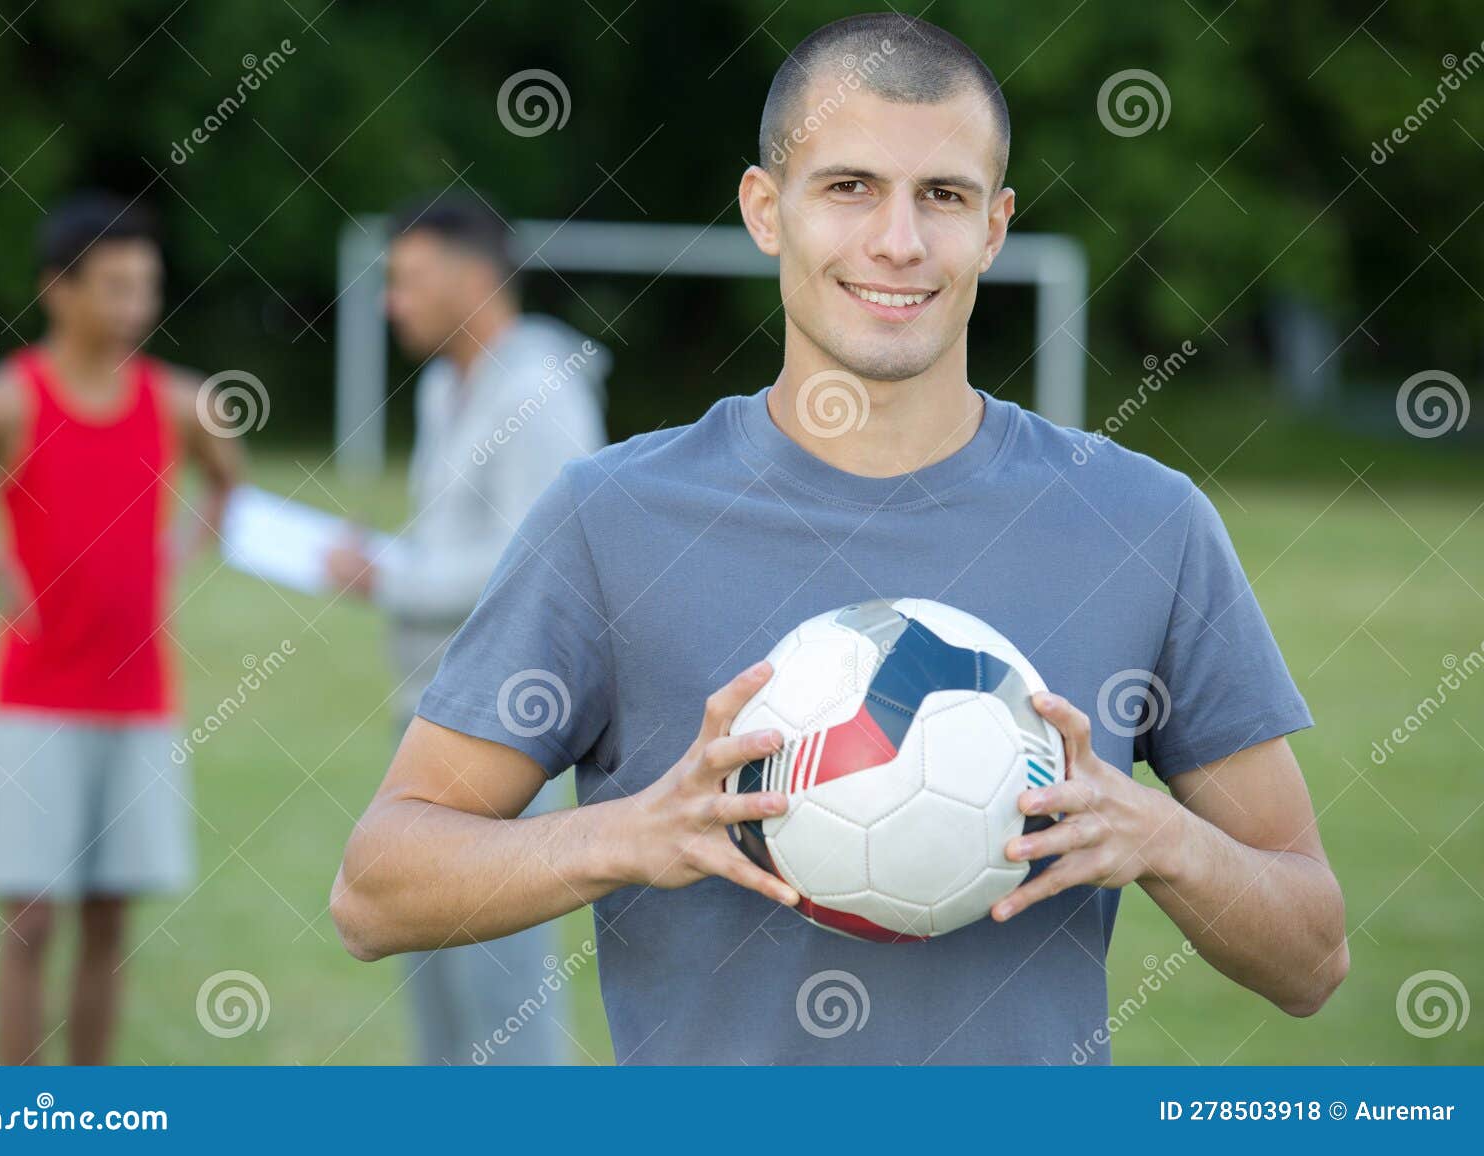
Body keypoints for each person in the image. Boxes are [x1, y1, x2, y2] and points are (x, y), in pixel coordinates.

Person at [330, 14, 1348, 1064]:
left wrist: (1164, 839)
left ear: (994, 228)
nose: (897, 242)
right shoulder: (612, 518)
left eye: (942, 196)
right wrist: (621, 833)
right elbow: (375, 889)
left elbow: (1311, 955)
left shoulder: (1145, 524)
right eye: (849, 186)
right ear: (766, 209)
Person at [0, 191, 242, 1064]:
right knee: (33, 921)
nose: (134, 308)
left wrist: (181, 551)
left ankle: (90, 1111)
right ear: (60, 290)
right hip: (37, 697)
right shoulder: (9, 401)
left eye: (145, 288)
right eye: (114, 288)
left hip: (139, 699)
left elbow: (228, 485)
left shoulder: (178, 403)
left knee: (110, 916)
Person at [325, 193, 607, 1064]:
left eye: (406, 279)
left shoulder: (542, 391)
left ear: (472, 276)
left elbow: (549, 560)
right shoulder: (448, 384)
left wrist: (394, 577)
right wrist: (394, 561)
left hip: (506, 731)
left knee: (505, 1013)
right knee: (437, 1005)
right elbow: (465, 538)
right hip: (428, 718)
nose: (389, 302)